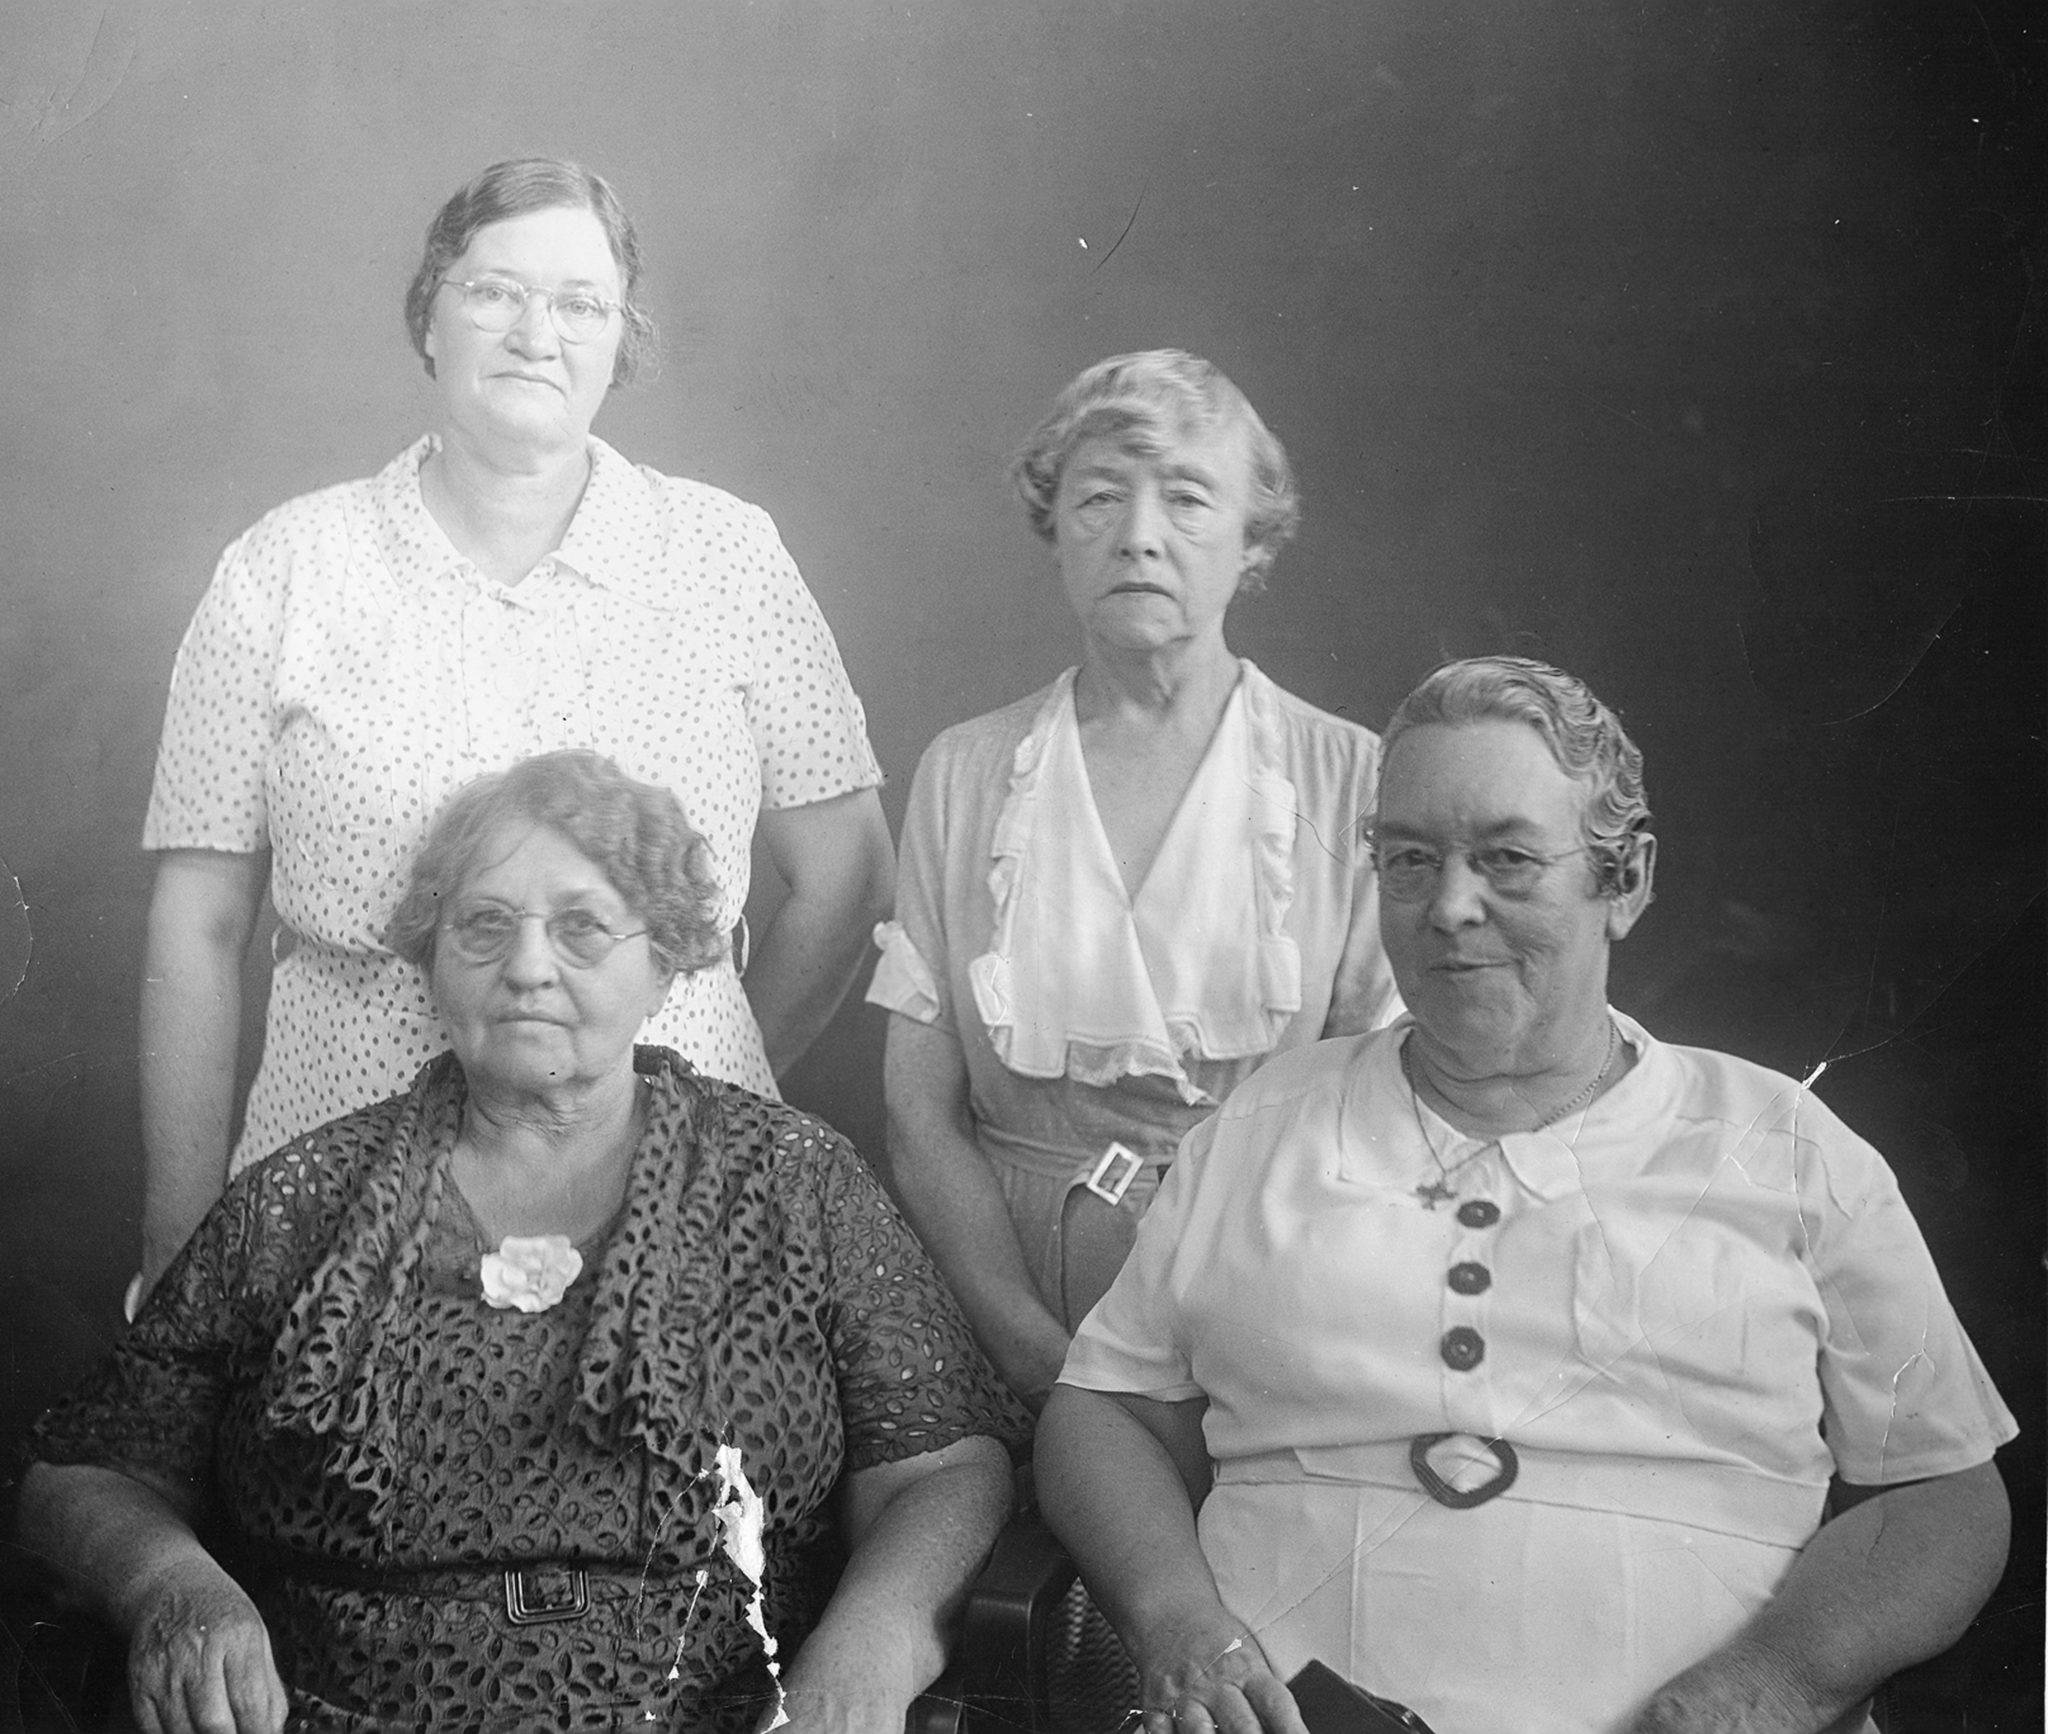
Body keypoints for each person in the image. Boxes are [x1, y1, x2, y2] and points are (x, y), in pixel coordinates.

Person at [1036, 656, 2016, 1734]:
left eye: (1505, 858)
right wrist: (1178, 1625)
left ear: (1624, 881)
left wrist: (1767, 1688)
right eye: (1408, 860)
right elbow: (1105, 1410)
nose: (1450, 907)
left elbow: (1941, 1495)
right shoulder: (1263, 1129)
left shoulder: (1784, 1151)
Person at [22, 751, 1020, 1734]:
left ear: (664, 960)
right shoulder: (302, 1200)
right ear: (430, 956)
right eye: (484, 926)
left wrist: (872, 1650)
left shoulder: (793, 1183)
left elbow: (942, 1470)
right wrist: (173, 1587)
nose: (529, 966)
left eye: (582, 928)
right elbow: (87, 1470)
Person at [137, 157, 893, 1296]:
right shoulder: (286, 568)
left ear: (618, 340)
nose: (536, 332)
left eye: (579, 302)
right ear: (429, 314)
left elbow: (849, 879)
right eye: (494, 291)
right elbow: (196, 925)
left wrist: (681, 1080)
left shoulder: (727, 558)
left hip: (670, 1189)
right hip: (336, 1167)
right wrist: (178, 1236)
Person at [869, 350, 1402, 1409]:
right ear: (1054, 525)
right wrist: (1025, 1343)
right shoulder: (968, 772)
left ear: (1252, 540)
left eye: (1188, 499)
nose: (1139, 534)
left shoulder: (1348, 777)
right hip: (1001, 1305)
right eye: (1100, 496)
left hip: (1266, 1309)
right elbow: (918, 1116)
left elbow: (1381, 1107)